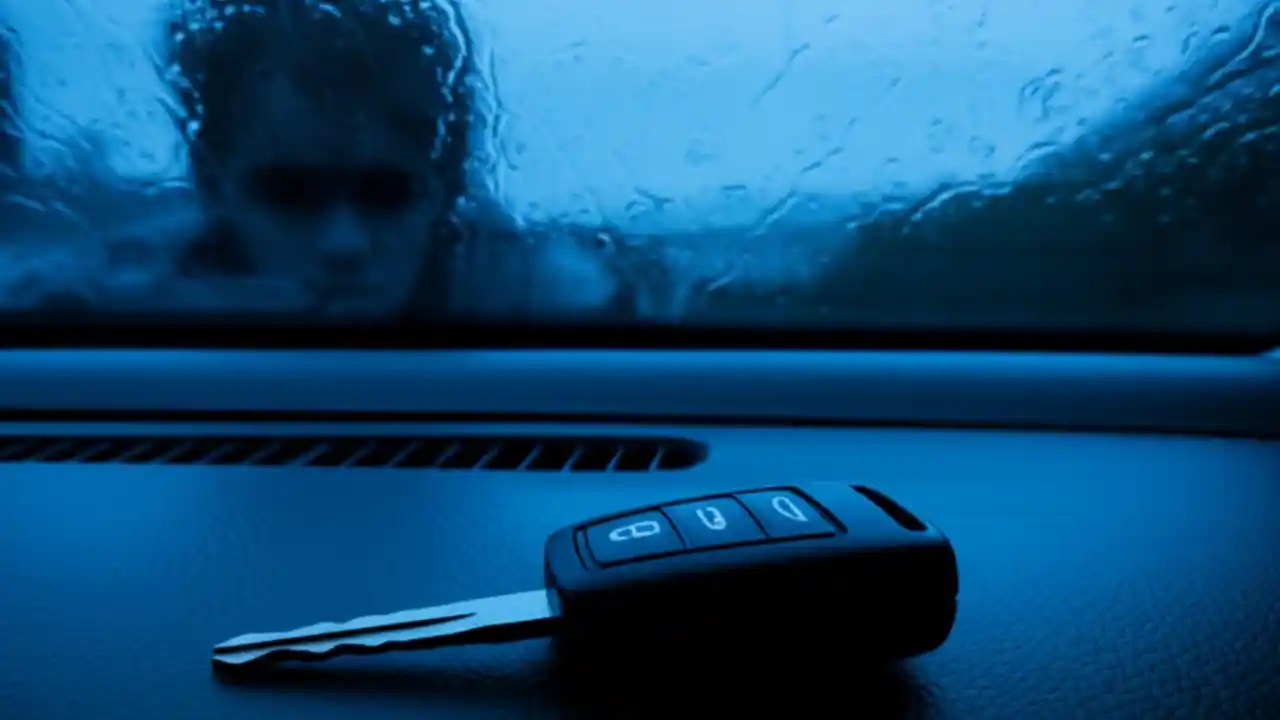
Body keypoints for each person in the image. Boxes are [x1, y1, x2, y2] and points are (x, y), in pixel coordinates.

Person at [164, 0, 636, 320]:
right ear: (211, 183)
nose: (344, 245)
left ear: (446, 188)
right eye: (290, 195)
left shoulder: (550, 309)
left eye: (388, 194)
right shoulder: (120, 320)